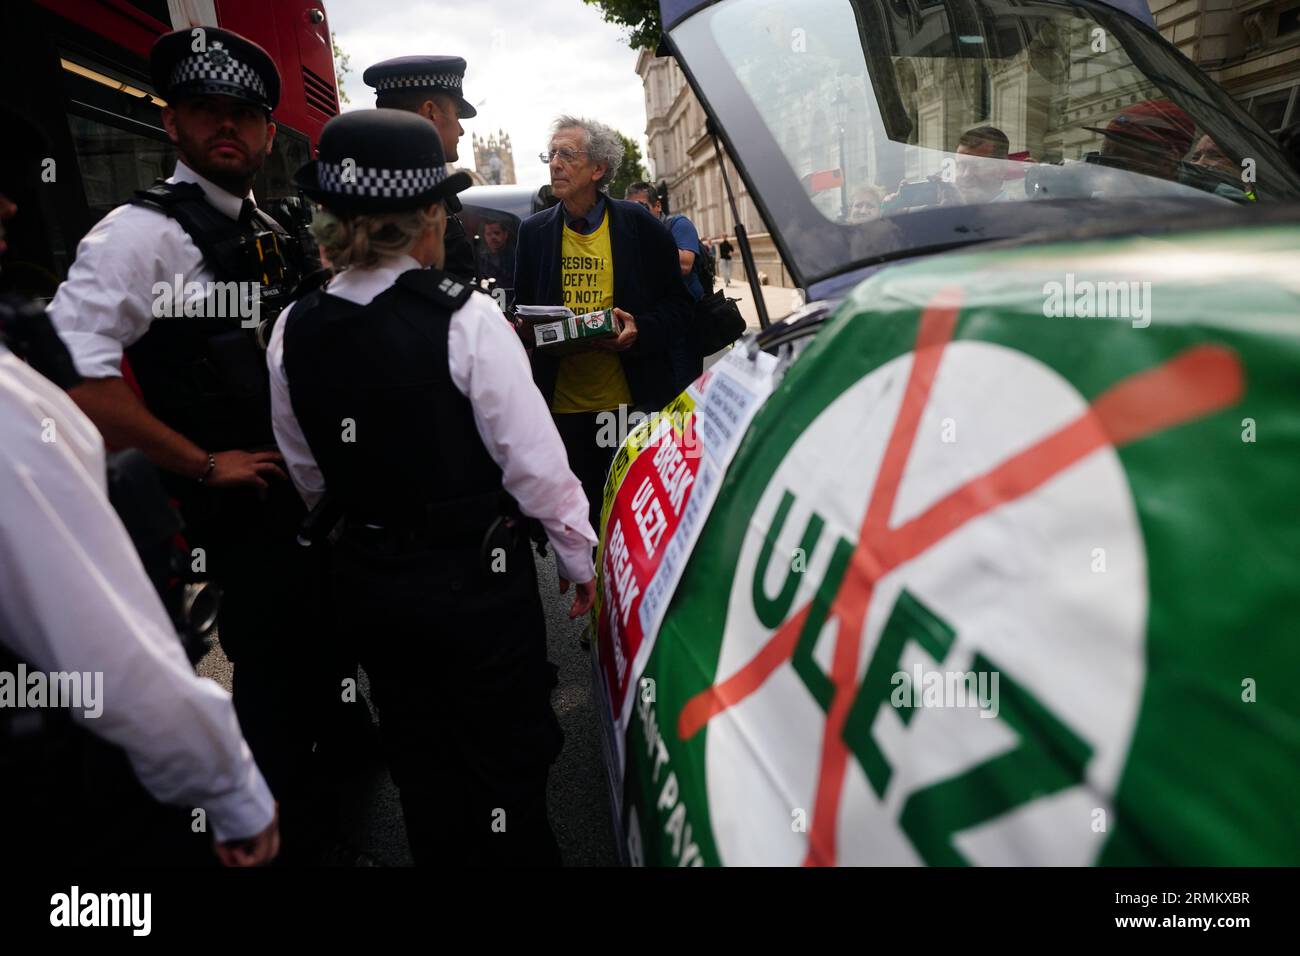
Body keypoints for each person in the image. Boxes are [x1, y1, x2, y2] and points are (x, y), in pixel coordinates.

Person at [269, 109, 597, 865]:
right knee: (505, 762)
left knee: (420, 760)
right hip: (474, 590)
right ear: (426, 216)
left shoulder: (294, 326)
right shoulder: (468, 321)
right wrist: (579, 559)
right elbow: (535, 467)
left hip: (373, 589)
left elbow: (309, 469)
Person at [45, 27, 340, 863]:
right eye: (204, 111)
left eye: (242, 115)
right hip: (237, 505)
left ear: (267, 132)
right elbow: (72, 378)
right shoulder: (135, 239)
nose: (226, 129)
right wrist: (205, 464)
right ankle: (272, 834)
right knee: (272, 683)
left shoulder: (269, 228)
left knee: (310, 661)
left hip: (298, 500)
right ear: (168, 123)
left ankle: (310, 804)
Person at [0, 194, 278, 868]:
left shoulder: (266, 226)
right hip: (69, 792)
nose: (11, 206)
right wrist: (232, 792)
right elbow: (105, 641)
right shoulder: (136, 238)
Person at [515, 115, 690, 534]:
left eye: (567, 155)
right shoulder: (534, 232)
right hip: (560, 410)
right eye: (551, 154)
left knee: (630, 522)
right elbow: (521, 313)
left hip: (627, 406)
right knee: (579, 522)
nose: (555, 164)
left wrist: (639, 329)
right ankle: (587, 593)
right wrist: (535, 331)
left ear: (598, 169)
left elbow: (680, 306)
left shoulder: (638, 224)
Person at [363, 55, 479, 283]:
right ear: (430, 112)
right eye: (456, 114)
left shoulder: (368, 186)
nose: (461, 130)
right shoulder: (412, 195)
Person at [624, 181, 706, 388]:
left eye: (642, 207)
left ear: (657, 206)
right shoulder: (630, 233)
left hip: (684, 324)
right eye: (631, 208)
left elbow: (685, 264)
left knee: (684, 389)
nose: (637, 214)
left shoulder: (678, 225)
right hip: (653, 325)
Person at [1084, 100, 1195, 183]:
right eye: (1101, 159)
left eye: (1118, 163)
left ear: (1167, 161)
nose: (1105, 170)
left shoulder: (1200, 206)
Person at [943, 125, 1012, 204]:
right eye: (960, 165)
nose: (966, 175)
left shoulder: (1018, 214)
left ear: (1002, 169)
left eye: (977, 166)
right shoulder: (948, 210)